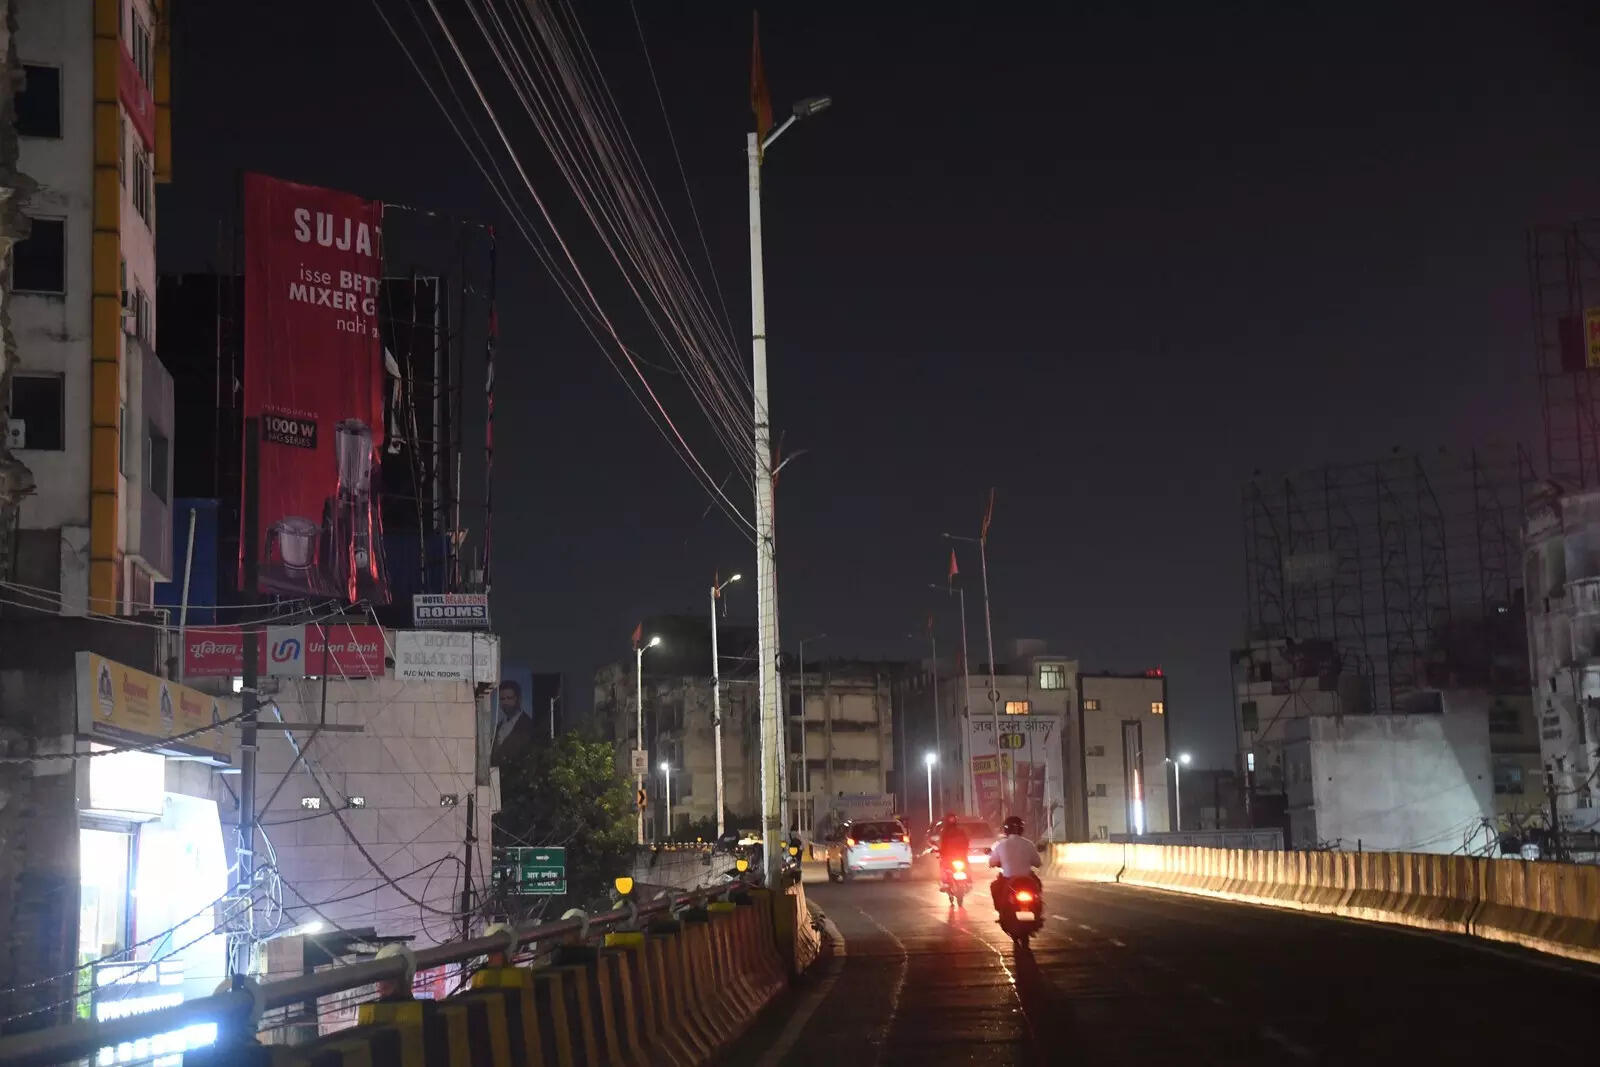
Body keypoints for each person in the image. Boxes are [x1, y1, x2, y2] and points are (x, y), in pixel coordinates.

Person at [988, 815, 1042, 910]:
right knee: (1038, 886)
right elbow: (1037, 863)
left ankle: (1001, 912)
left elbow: (992, 862)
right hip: (1027, 878)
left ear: (1006, 830)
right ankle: (1038, 909)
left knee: (994, 887)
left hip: (1008, 879)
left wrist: (997, 863)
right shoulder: (1028, 844)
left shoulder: (1001, 845)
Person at [492, 678, 537, 766]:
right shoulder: (499, 726)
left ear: (518, 699)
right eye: (502, 699)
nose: (505, 702)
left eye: (509, 698)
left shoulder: (527, 724)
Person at [937, 813, 971, 885]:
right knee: (943, 866)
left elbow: (966, 841)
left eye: (953, 819)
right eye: (950, 819)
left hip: (959, 855)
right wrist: (941, 852)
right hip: (949, 855)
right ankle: (945, 882)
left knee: (966, 865)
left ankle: (968, 879)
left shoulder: (960, 830)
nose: (951, 820)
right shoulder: (945, 832)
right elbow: (942, 844)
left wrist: (965, 849)